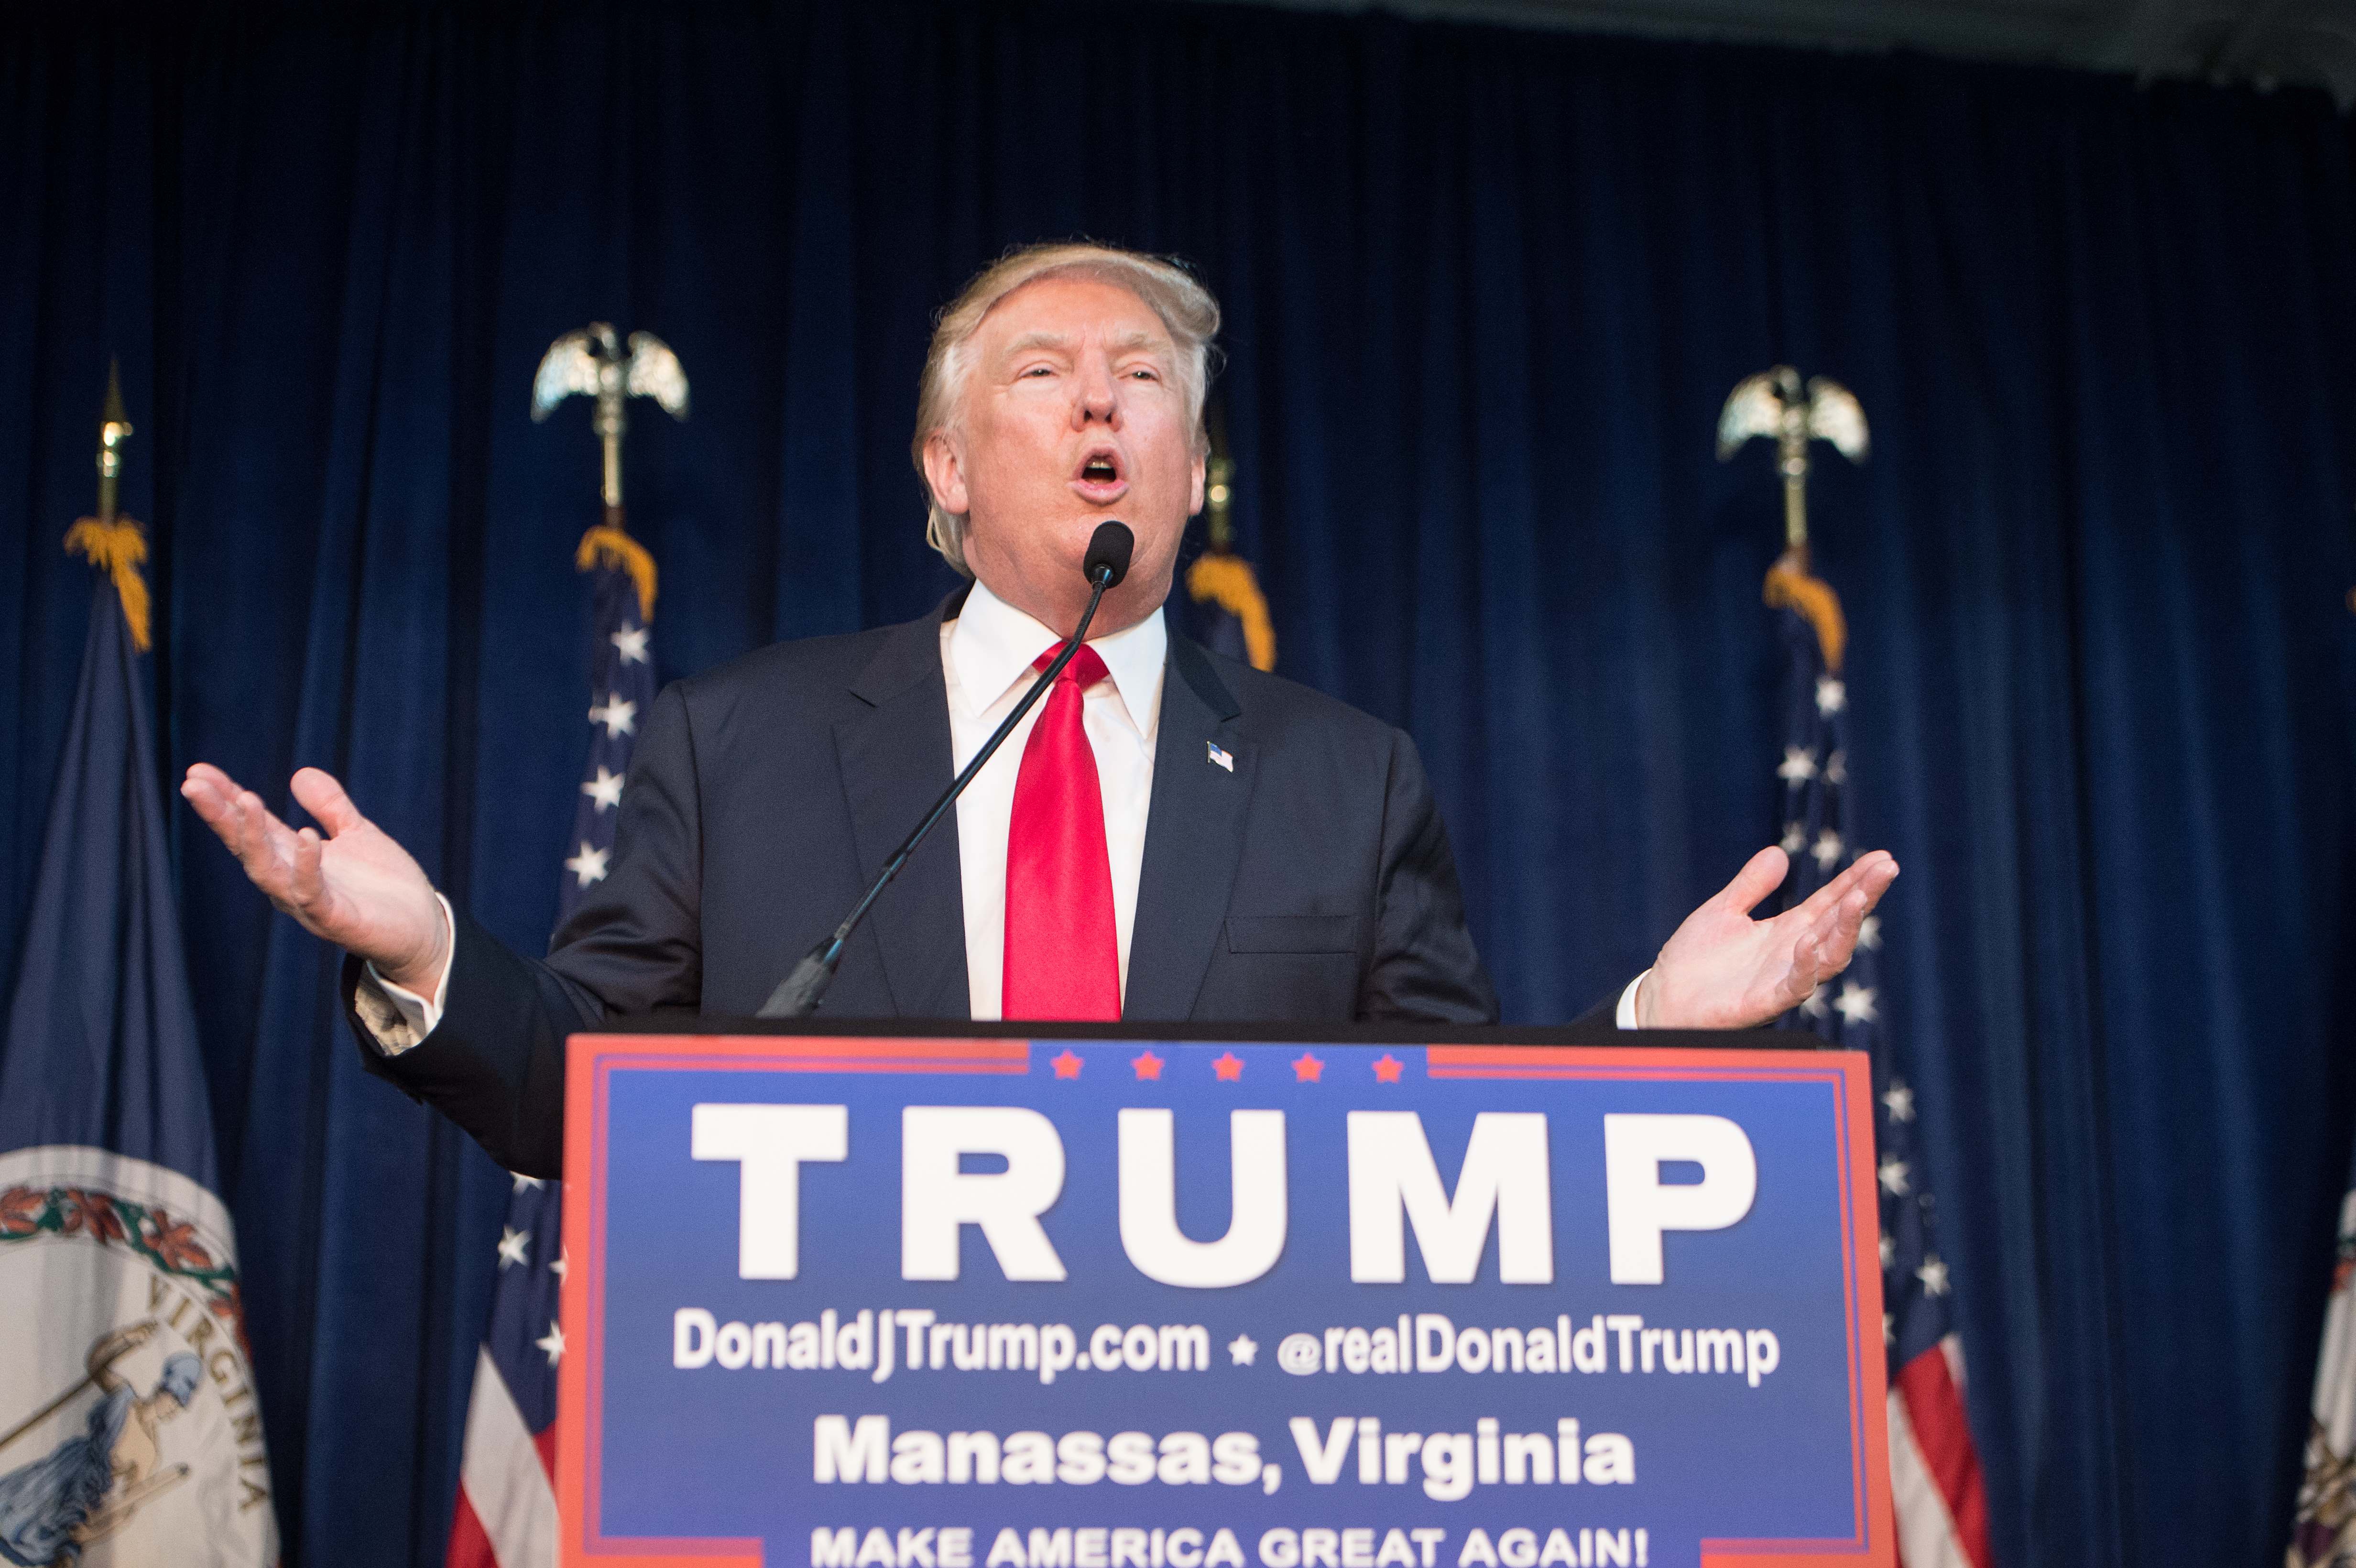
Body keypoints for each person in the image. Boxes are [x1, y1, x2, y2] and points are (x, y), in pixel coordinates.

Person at [181, 241, 1897, 1179]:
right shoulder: (742, 743)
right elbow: (586, 1099)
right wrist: (427, 956)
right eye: (1047, 374)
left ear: (1192, 468)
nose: (1104, 401)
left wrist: (1650, 1028)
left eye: (1146, 382)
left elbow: (1445, 1144)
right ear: (946, 466)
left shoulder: (1342, 780)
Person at [0, 1325, 197, 1565]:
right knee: (11, 1514)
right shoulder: (124, 1396)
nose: (173, 1408)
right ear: (160, 1389)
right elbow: (96, 1364)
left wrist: (92, 1534)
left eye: (179, 1404)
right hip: (56, 1474)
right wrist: (125, 1338)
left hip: (82, 1502)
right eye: (173, 1397)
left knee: (58, 1556)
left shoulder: (149, 1452)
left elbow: (127, 1507)